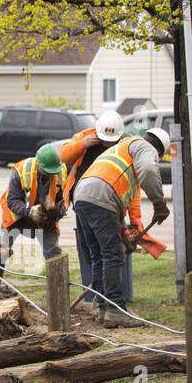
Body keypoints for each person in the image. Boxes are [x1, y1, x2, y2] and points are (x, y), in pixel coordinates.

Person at [73, 127, 170, 328]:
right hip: (101, 196)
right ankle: (115, 309)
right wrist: (159, 204)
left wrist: (124, 237)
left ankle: (103, 307)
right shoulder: (145, 147)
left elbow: (115, 206)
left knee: (99, 255)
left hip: (82, 195)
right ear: (159, 151)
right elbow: (150, 171)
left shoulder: (123, 147)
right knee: (113, 254)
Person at [58, 109, 124, 315]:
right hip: (84, 203)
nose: (106, 143)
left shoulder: (123, 146)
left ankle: (101, 301)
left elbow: (133, 187)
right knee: (103, 254)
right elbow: (64, 155)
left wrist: (134, 218)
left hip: (106, 203)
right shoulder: (86, 137)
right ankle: (108, 304)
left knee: (101, 254)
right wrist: (83, 144)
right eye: (104, 139)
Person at [0, 142, 65, 285]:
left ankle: (58, 288)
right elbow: (12, 200)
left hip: (45, 219)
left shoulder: (60, 172)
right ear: (38, 164)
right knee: (2, 249)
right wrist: (29, 211)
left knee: (53, 252)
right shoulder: (22, 171)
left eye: (52, 172)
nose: (50, 175)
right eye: (47, 172)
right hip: (17, 217)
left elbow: (64, 199)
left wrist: (56, 210)